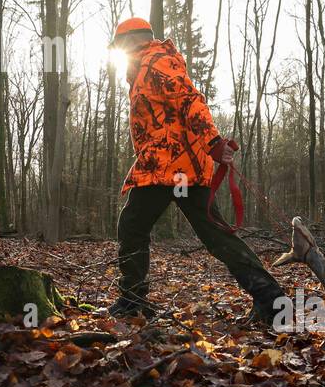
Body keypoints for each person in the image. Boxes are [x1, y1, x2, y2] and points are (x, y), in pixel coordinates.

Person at [108, 17, 287, 323]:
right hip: (172, 166)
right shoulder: (144, 68)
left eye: (120, 45)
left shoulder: (156, 63)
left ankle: (132, 300)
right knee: (215, 235)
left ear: (131, 41)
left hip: (169, 167)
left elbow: (191, 101)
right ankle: (272, 299)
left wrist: (214, 142)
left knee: (132, 226)